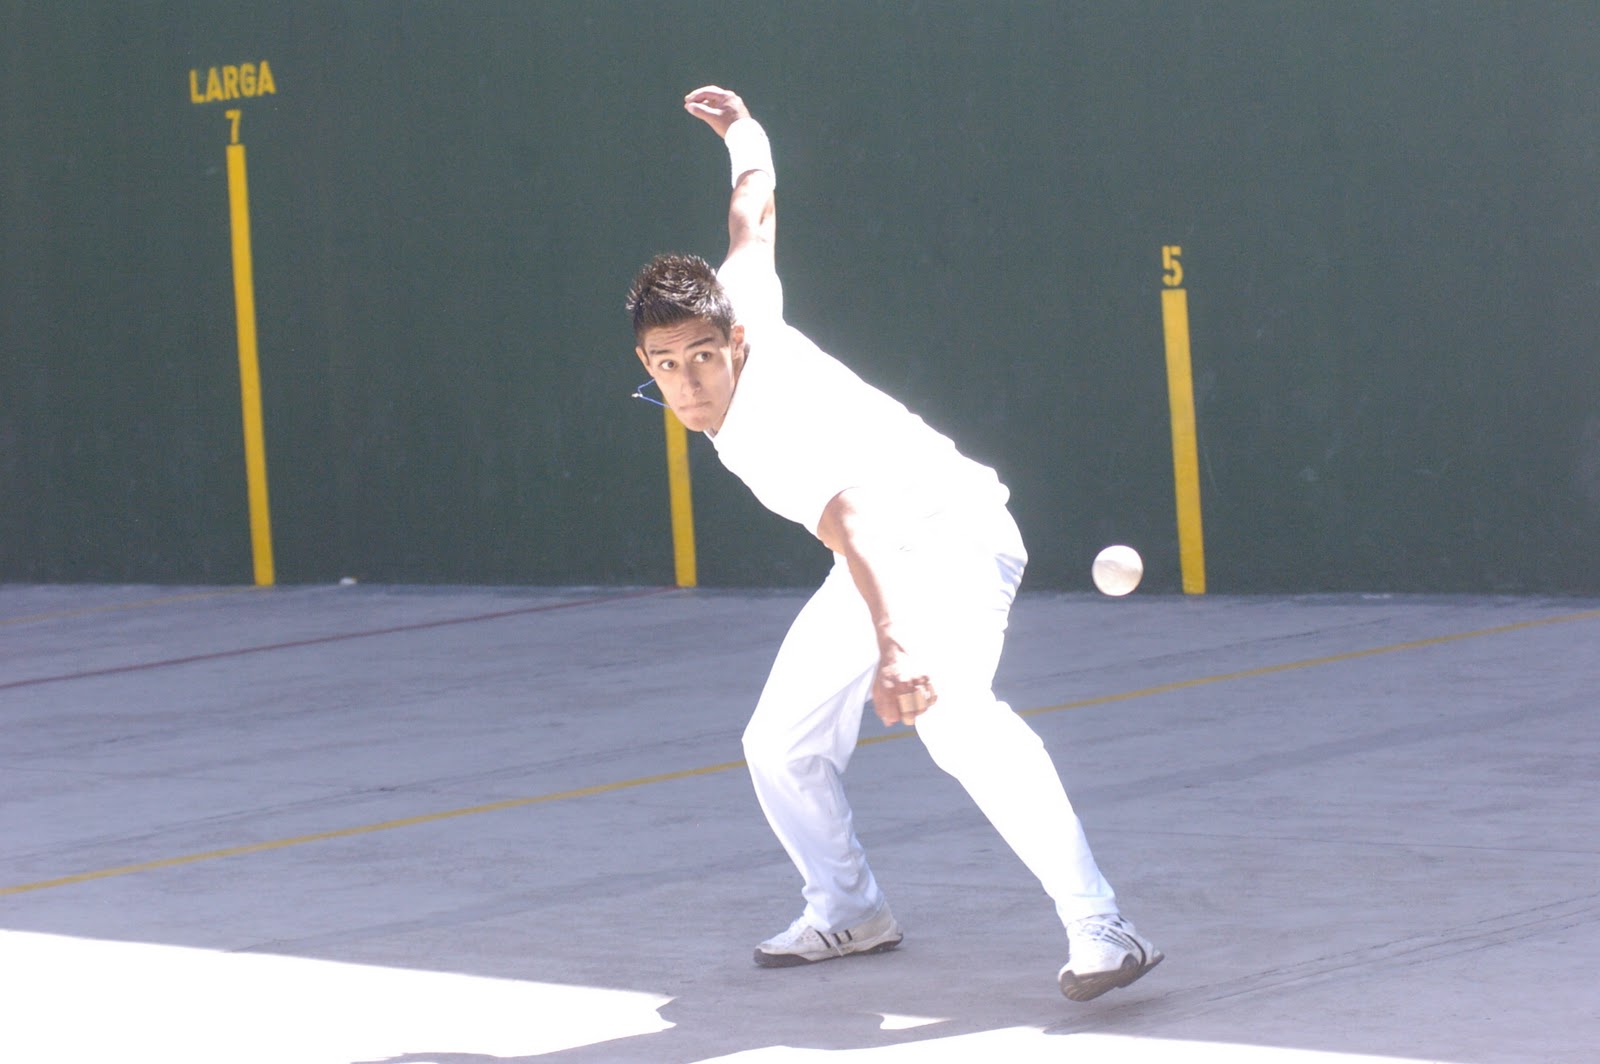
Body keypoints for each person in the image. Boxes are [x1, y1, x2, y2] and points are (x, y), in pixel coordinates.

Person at [626, 85, 1162, 1003]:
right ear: (648, 362)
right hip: (875, 558)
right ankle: (850, 908)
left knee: (955, 717)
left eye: (702, 358)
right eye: (667, 366)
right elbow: (752, 211)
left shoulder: (762, 431)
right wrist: (743, 130)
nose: (688, 383)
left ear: (736, 341)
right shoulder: (740, 293)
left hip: (954, 535)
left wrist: (900, 647)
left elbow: (856, 520)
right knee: (778, 744)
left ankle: (1101, 925)